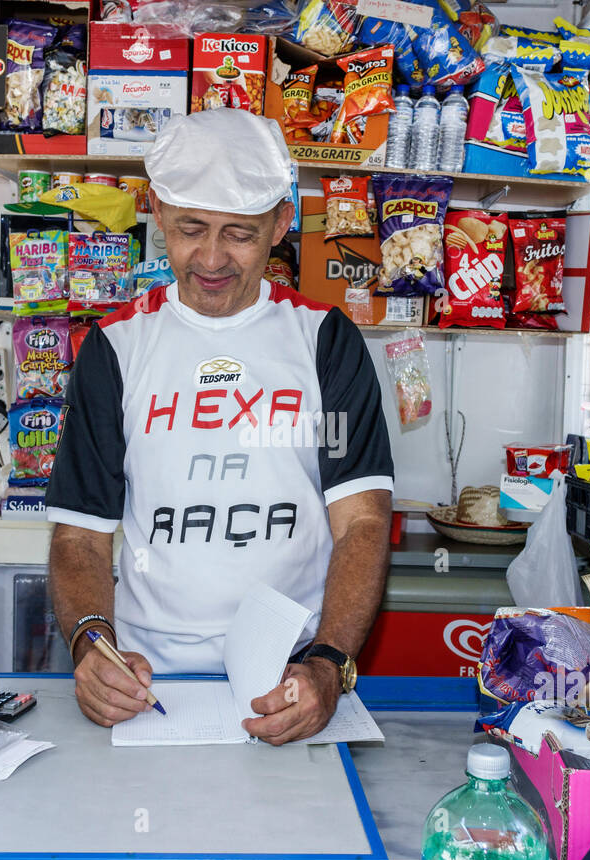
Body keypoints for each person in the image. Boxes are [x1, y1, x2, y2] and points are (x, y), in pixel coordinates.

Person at [46, 109, 394, 745]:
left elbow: (363, 521)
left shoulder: (325, 343)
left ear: (280, 224)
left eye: (238, 234)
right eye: (189, 229)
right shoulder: (116, 348)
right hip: (149, 686)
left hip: (292, 677)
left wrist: (329, 662)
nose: (210, 258)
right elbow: (81, 538)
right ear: (156, 212)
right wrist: (92, 641)